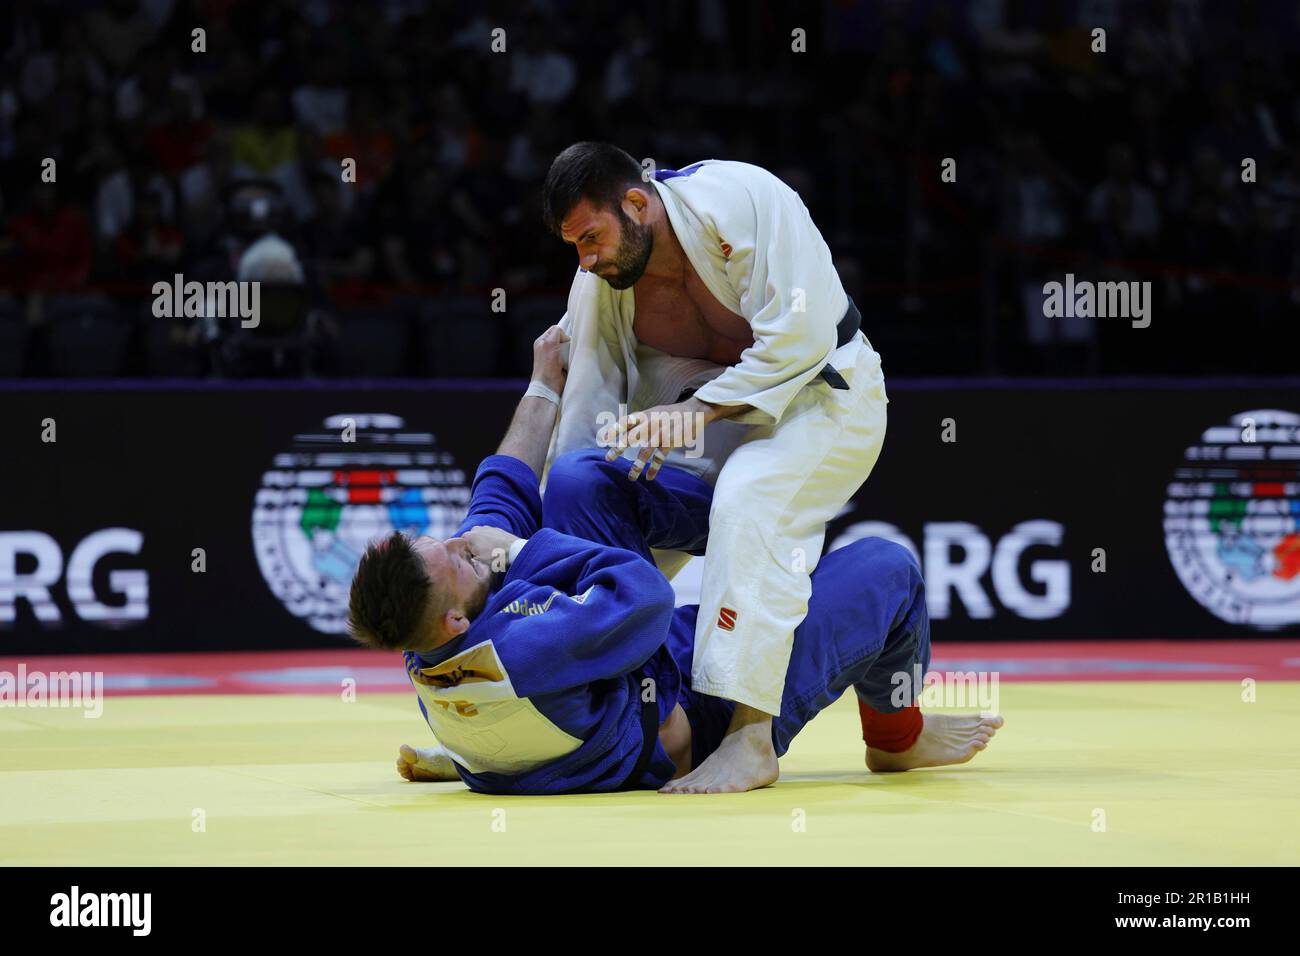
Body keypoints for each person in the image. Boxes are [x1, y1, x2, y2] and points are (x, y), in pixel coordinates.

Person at [348, 327, 1002, 794]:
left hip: (599, 693)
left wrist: (543, 384)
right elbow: (646, 598)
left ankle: (486, 765)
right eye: (460, 562)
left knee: (579, 478)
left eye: (444, 542)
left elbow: (496, 494)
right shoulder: (523, 649)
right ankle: (897, 742)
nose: (466, 545)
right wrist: (522, 549)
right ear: (457, 624)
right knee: (889, 570)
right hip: (698, 712)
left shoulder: (423, 639)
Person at [539, 142, 890, 791]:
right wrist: (546, 560)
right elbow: (584, 415)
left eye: (592, 237)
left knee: (751, 496)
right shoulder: (602, 283)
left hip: (822, 400)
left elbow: (805, 336)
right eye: (574, 247)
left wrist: (697, 411)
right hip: (705, 431)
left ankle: (750, 738)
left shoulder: (742, 202)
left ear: (637, 203)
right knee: (580, 484)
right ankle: (564, 727)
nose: (586, 260)